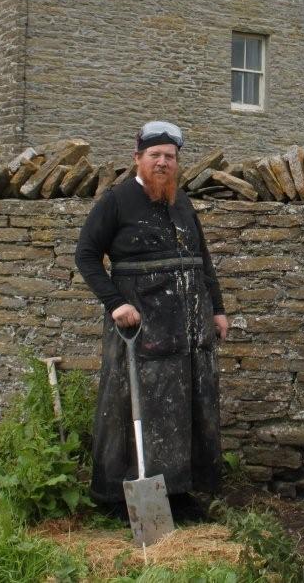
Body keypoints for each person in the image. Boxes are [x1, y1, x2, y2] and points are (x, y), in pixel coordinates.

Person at [74, 120, 228, 516]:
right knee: (141, 408)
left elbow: (202, 260)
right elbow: (87, 256)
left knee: (189, 404)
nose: (163, 163)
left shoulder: (182, 202)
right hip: (141, 329)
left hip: (190, 329)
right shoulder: (117, 200)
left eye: (170, 157)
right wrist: (114, 303)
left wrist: (218, 308)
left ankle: (181, 493)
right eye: (155, 155)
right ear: (138, 159)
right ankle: (119, 499)